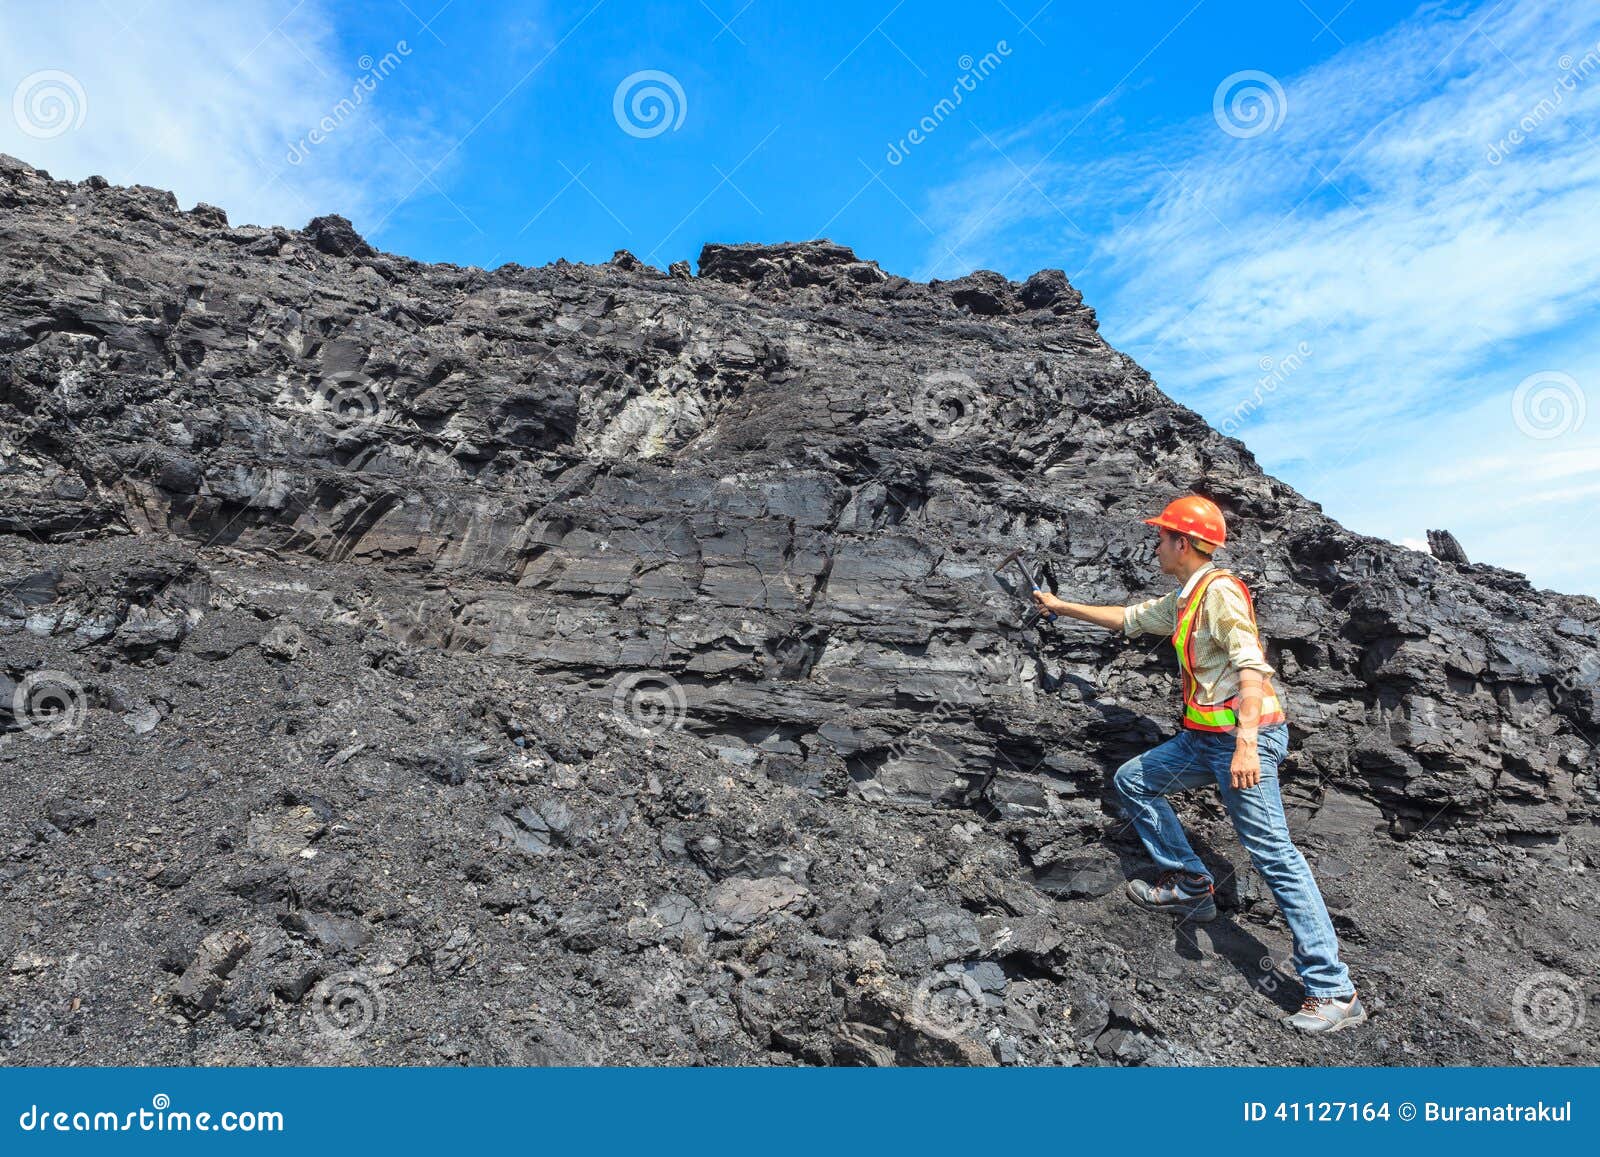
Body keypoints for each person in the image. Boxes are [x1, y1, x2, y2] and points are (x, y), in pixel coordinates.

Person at [1031, 495, 1366, 1034]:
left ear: (1182, 543)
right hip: (1199, 741)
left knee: (1274, 855)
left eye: (1161, 537)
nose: (1155, 545)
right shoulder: (1186, 599)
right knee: (1133, 781)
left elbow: (1252, 666)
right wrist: (1059, 605)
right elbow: (1127, 619)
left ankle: (1333, 990)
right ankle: (1191, 883)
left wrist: (1248, 745)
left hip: (1239, 740)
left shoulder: (1221, 594)